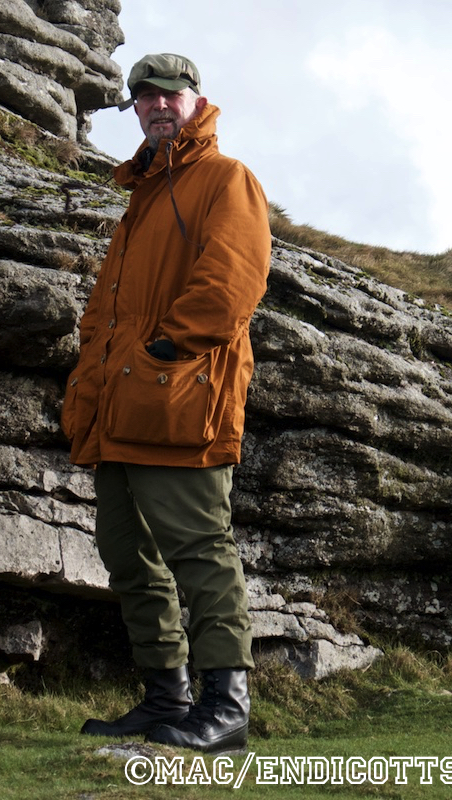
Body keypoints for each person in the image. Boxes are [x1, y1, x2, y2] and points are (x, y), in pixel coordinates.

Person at [60, 53, 271, 753]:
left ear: (196, 102)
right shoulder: (142, 196)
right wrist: (91, 378)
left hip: (181, 400)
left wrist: (168, 350)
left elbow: (231, 284)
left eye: (170, 95)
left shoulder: (226, 178)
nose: (157, 105)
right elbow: (106, 313)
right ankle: (165, 699)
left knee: (201, 552)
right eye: (144, 97)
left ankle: (226, 707)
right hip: (120, 407)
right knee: (128, 556)